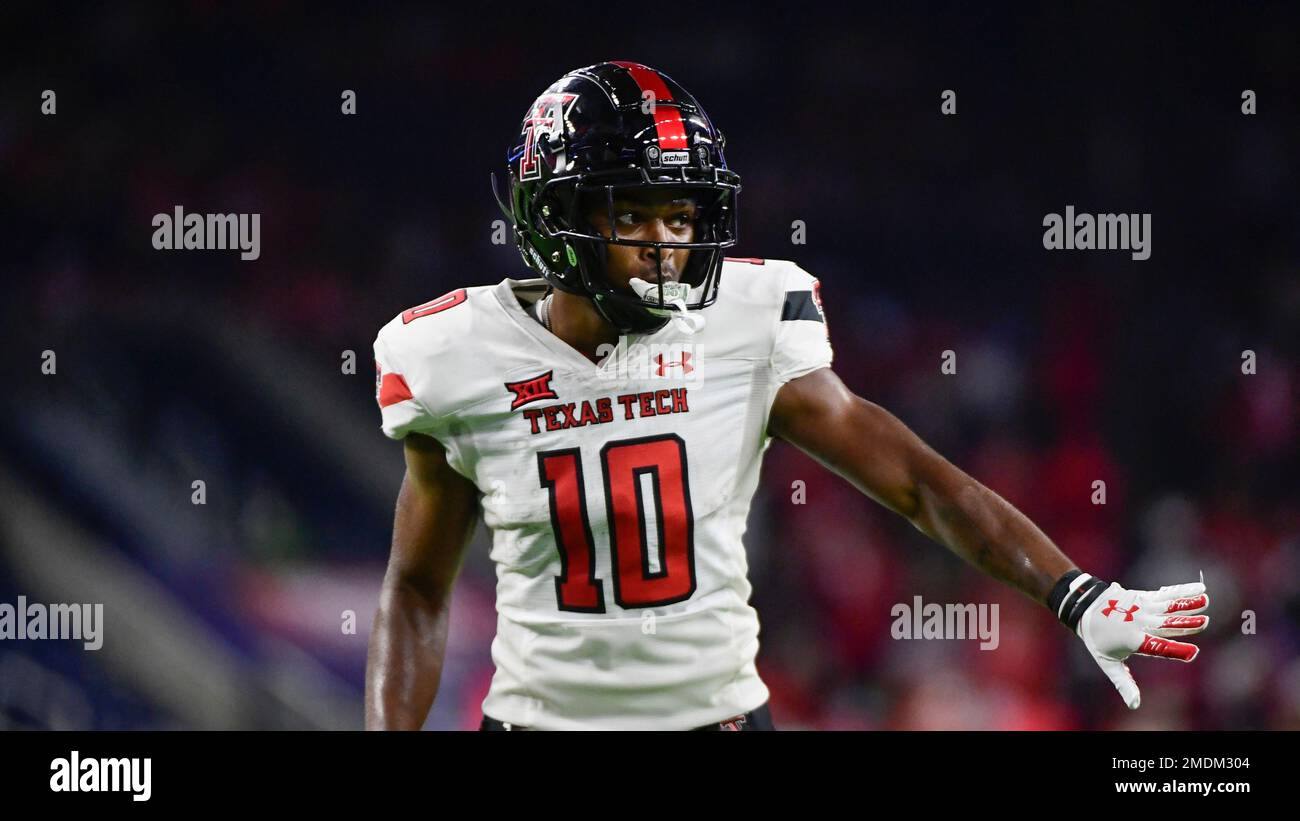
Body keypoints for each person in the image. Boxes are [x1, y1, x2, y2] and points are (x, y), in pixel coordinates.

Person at [364, 61, 1209, 731]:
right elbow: (416, 590)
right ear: (555, 216)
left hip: (719, 720)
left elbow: (915, 479)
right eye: (637, 214)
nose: (667, 244)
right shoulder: (453, 355)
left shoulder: (748, 318)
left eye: (682, 214)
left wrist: (1076, 591)